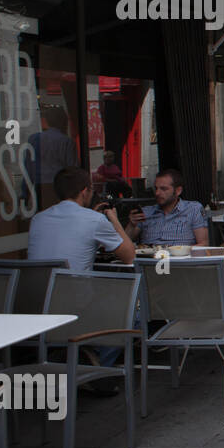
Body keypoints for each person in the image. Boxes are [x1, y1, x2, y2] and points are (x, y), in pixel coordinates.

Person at [28, 166, 136, 391]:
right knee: (131, 309)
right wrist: (112, 218)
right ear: (85, 191)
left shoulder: (38, 219)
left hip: (39, 305)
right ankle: (97, 372)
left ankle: (79, 357)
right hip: (74, 308)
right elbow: (129, 256)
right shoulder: (93, 220)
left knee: (100, 294)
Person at [126, 169, 208, 246]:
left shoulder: (193, 209)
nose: (157, 193)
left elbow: (204, 244)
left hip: (180, 258)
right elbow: (124, 243)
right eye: (156, 188)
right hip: (149, 258)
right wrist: (131, 225)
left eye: (163, 189)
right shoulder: (146, 212)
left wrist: (181, 252)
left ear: (178, 191)